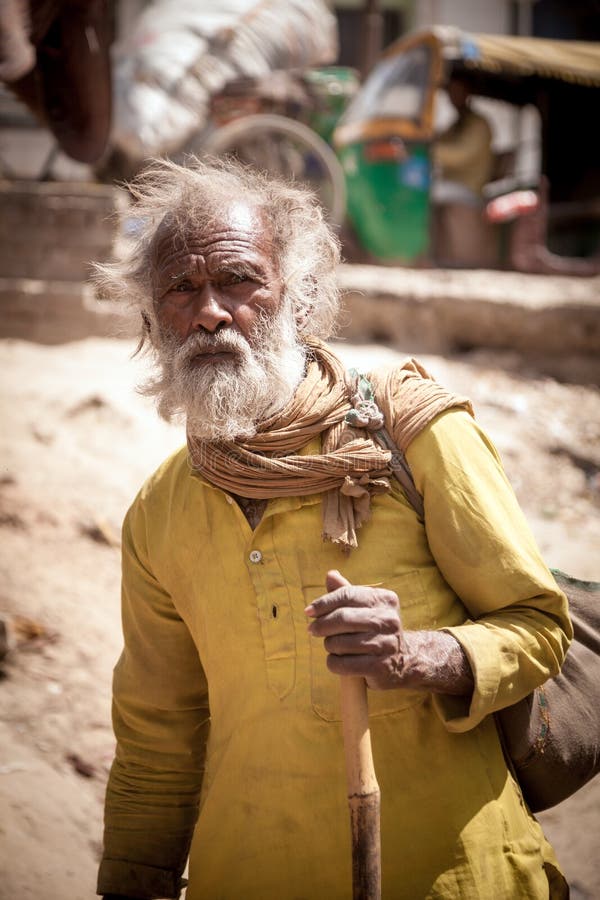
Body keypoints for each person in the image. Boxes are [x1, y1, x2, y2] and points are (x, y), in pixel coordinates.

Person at [96, 157, 571, 900]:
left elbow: (539, 626)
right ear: (153, 321)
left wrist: (419, 655)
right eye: (182, 289)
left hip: (452, 879)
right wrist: (131, 882)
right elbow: (158, 738)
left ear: (301, 295)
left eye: (239, 279)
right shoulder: (160, 511)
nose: (211, 312)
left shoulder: (411, 433)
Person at [431, 73, 495, 266]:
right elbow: (441, 141)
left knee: (425, 193)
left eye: (457, 91)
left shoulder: (479, 124)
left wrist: (430, 150)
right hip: (452, 185)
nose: (453, 96)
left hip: (468, 189)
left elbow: (460, 155)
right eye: (451, 92)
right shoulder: (456, 123)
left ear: (467, 93)